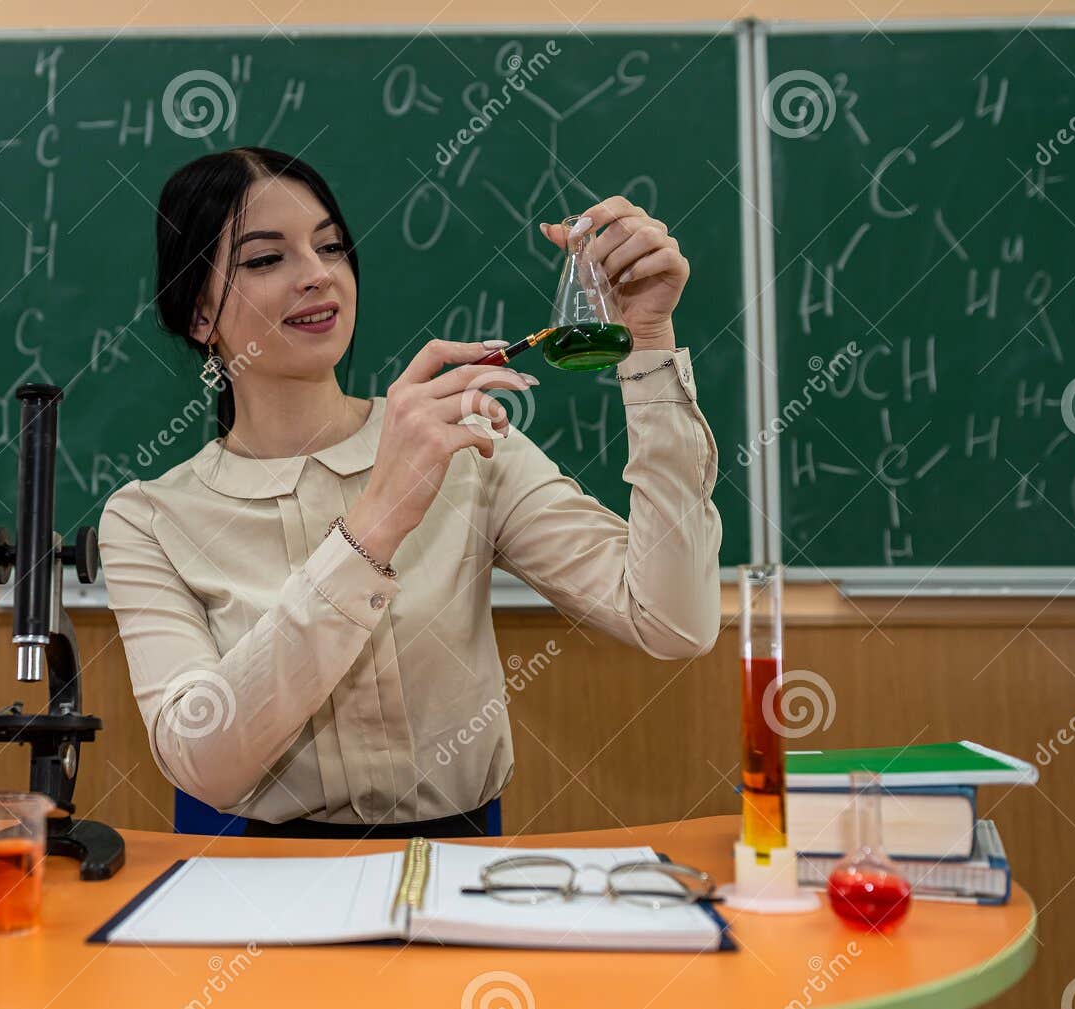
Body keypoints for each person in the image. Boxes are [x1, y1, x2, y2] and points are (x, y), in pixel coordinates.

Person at [99, 145, 721, 839]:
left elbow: (673, 621)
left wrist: (649, 350)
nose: (317, 276)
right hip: (264, 887)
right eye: (266, 259)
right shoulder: (148, 518)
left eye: (330, 246)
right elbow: (203, 762)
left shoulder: (464, 444)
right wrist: (375, 525)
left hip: (458, 870)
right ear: (198, 316)